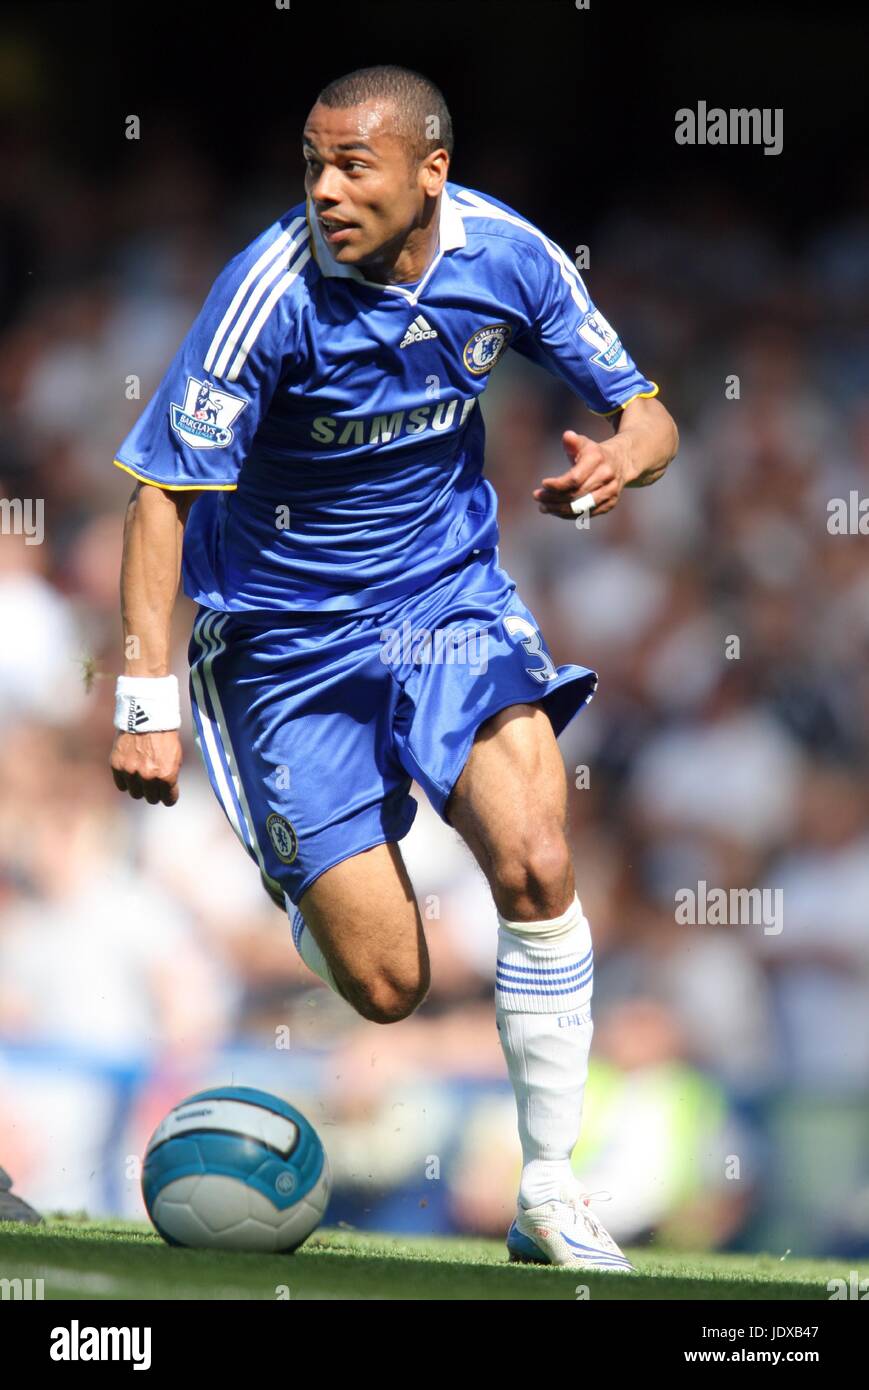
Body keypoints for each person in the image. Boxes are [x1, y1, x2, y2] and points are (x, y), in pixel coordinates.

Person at [109, 65, 678, 1270]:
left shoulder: (510, 256)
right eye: (310, 165)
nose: (323, 189)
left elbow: (648, 410)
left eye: (351, 166)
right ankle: (308, 878)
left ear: (431, 173)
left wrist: (623, 458)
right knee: (387, 984)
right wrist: (145, 700)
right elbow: (161, 492)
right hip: (281, 645)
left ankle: (545, 1188)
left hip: (443, 599)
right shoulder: (267, 293)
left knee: (534, 855)